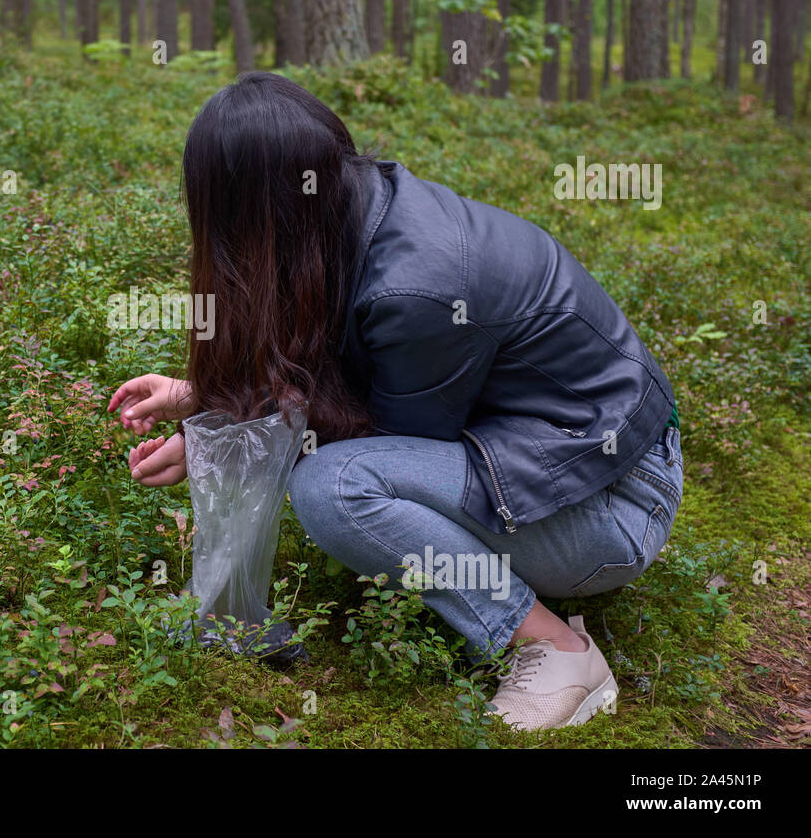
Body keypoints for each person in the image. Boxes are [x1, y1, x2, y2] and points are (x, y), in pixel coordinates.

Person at [107, 71, 682, 732]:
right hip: (559, 469)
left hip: (616, 510)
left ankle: (556, 649)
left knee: (333, 487)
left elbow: (388, 445)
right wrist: (208, 403)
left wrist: (243, 428)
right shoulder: (351, 204)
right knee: (336, 477)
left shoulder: (420, 287)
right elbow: (327, 344)